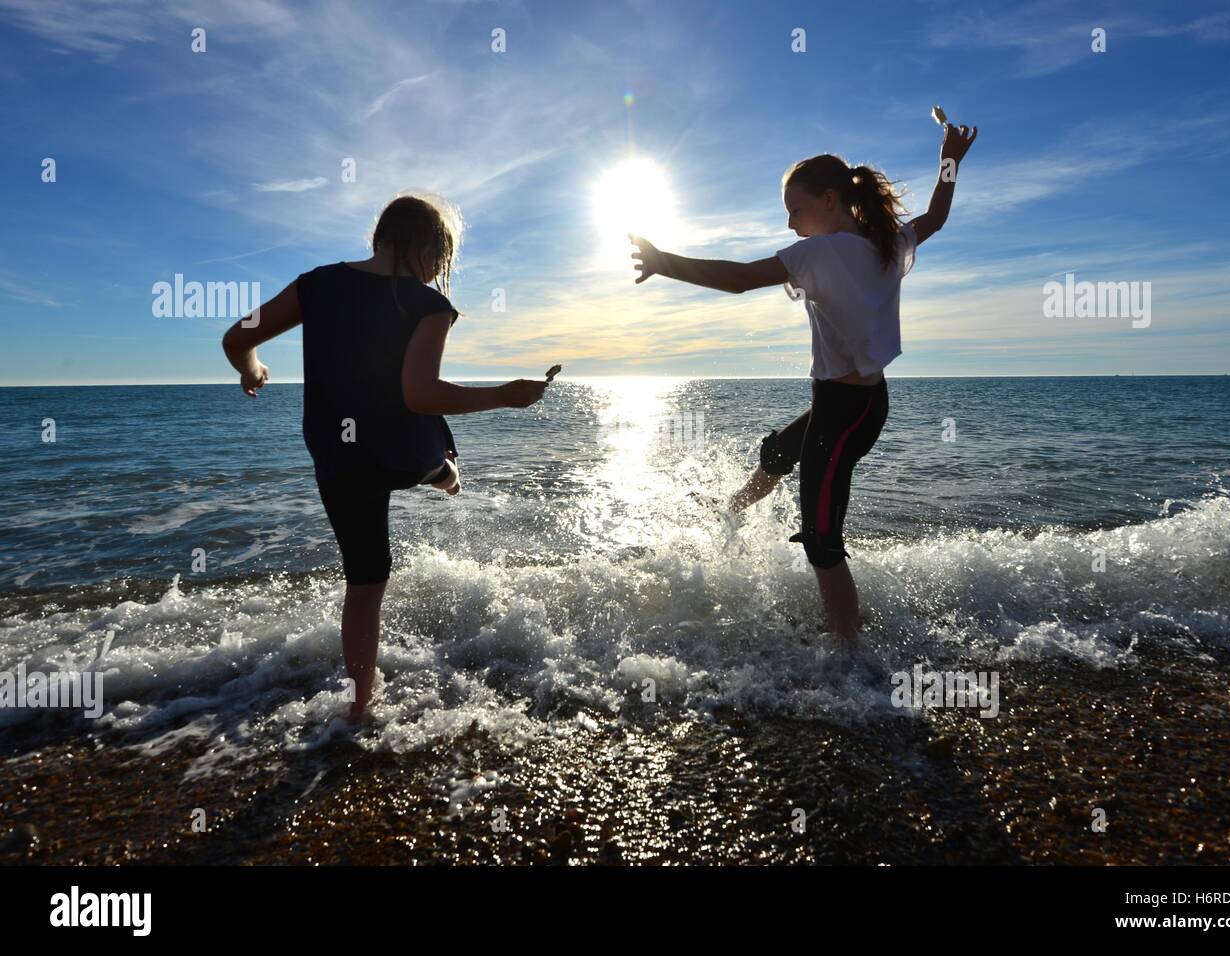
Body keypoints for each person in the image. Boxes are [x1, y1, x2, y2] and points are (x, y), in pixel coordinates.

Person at [629, 121, 978, 651]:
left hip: (846, 412)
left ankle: (847, 653)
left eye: (795, 209)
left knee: (820, 536)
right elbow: (936, 217)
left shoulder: (819, 252)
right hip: (857, 404)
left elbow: (741, 278)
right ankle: (727, 515)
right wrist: (950, 159)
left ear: (830, 199)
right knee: (775, 452)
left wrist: (664, 263)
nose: (790, 221)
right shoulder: (886, 242)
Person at [221, 193, 549, 721]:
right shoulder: (429, 305)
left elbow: (237, 337)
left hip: (336, 453)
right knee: (431, 433)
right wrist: (503, 395)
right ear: (426, 248)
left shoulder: (315, 283)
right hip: (400, 448)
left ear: (380, 238)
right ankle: (443, 472)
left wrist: (252, 368)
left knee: (366, 578)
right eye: (440, 258)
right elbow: (419, 395)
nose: (438, 270)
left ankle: (360, 705)